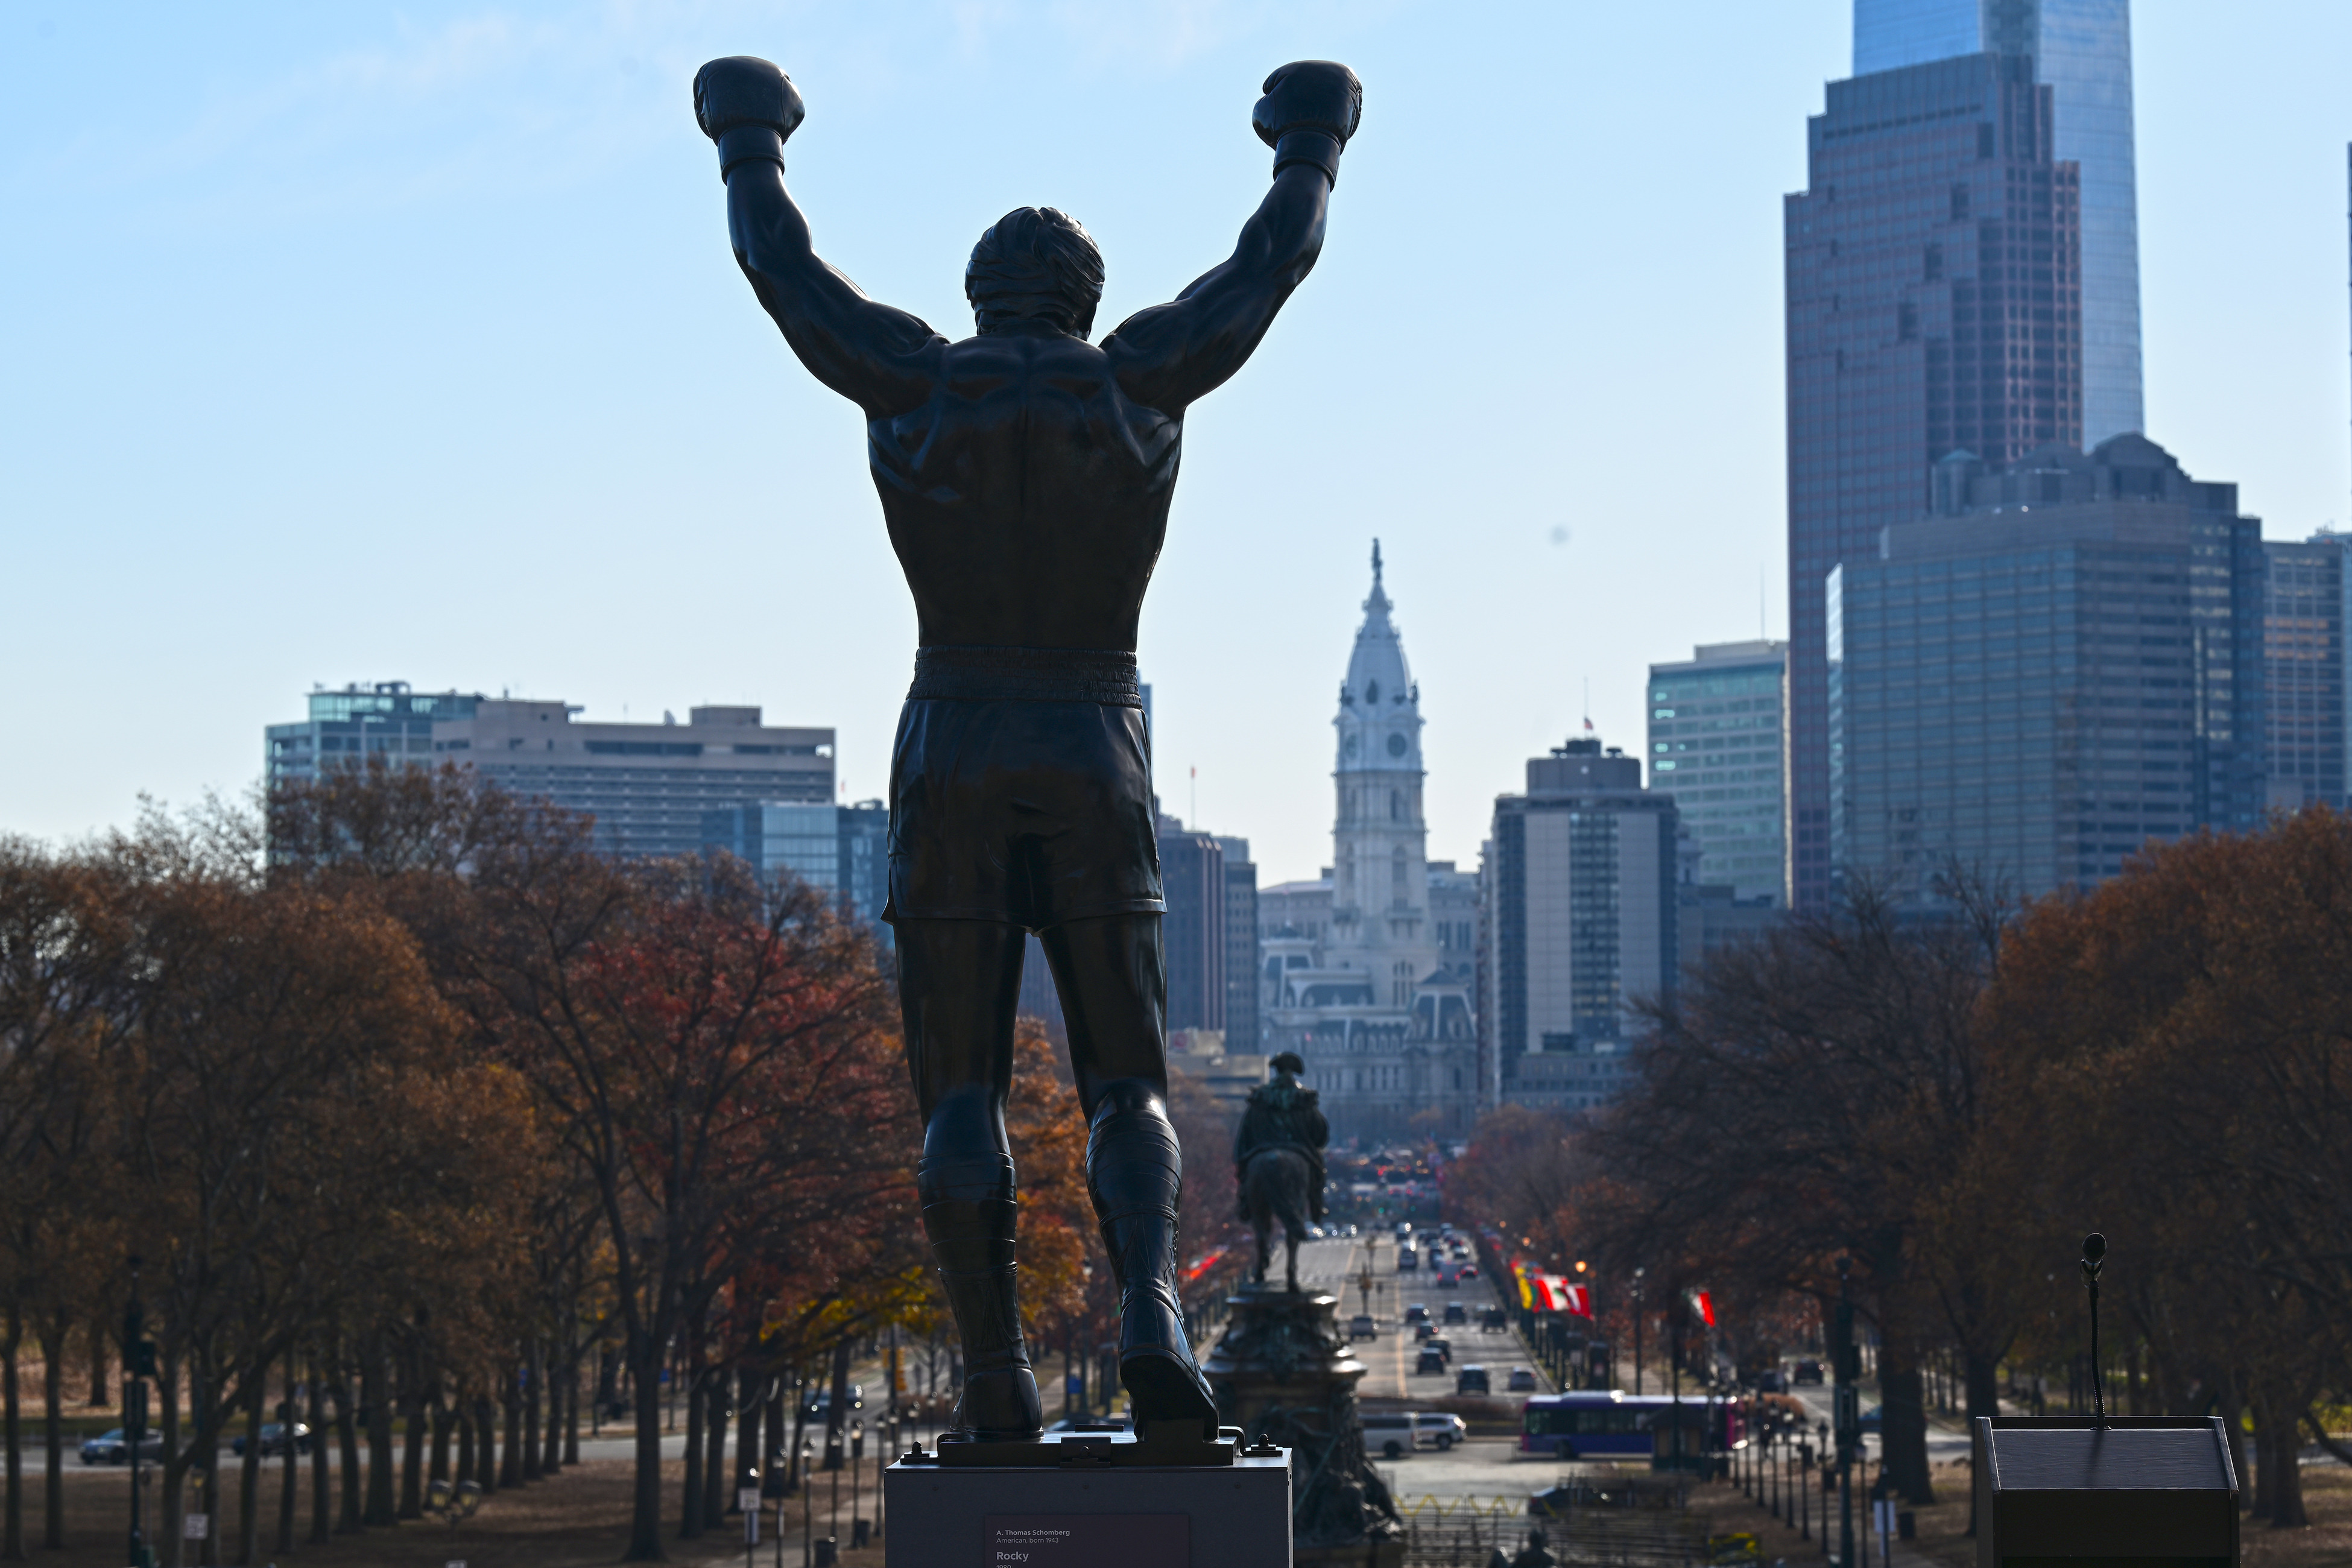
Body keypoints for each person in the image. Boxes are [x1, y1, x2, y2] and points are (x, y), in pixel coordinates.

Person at [693, 54, 1361, 1443]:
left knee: (960, 1088)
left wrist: (748, 135)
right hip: (1091, 733)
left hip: (949, 738)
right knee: (1127, 1079)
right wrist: (1309, 138)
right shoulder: (1137, 388)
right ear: (1087, 302)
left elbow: (781, 268)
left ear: (980, 294)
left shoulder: (911, 385)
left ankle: (991, 1377)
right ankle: (1150, 1315)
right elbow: (1270, 262)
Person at [1233, 1050, 1330, 1222]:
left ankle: (1245, 1204)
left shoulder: (1261, 1097)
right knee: (1318, 1173)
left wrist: (1241, 1157)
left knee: (1247, 1174)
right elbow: (1320, 1132)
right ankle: (1317, 1206)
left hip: (1261, 1148)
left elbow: (1246, 1130)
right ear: (1293, 1072)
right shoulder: (1303, 1097)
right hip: (1298, 1148)